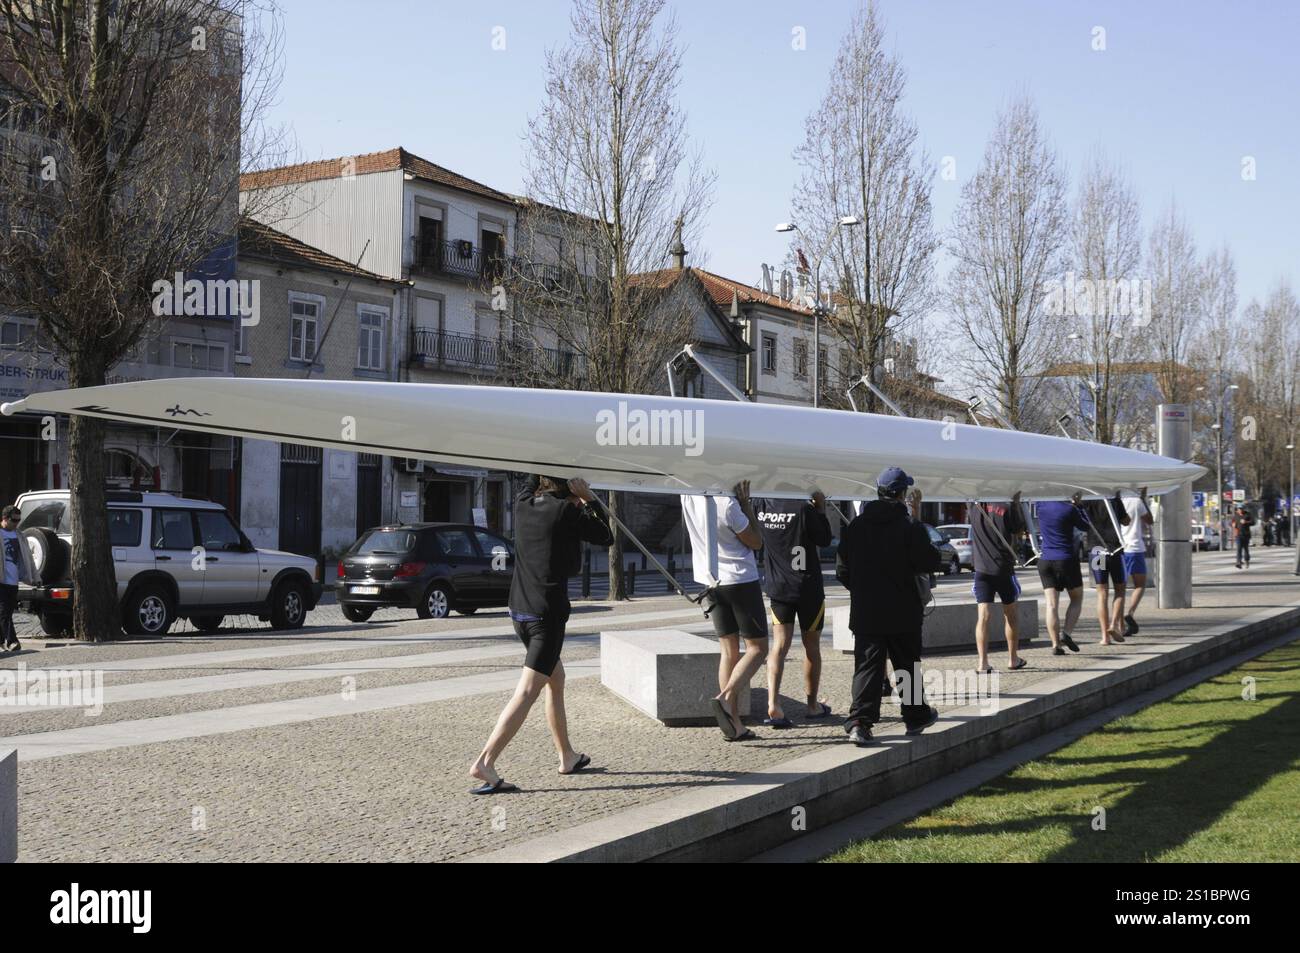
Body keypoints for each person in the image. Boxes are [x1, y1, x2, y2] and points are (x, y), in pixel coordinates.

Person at [469, 475, 613, 794]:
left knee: (556, 679)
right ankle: (485, 762)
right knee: (527, 692)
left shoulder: (522, 504)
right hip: (547, 616)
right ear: (569, 491)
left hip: (519, 610)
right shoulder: (567, 512)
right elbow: (606, 536)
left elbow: (528, 477)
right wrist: (589, 497)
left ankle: (567, 756)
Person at [836, 466, 943, 746]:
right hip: (903, 610)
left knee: (867, 667)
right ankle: (915, 715)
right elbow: (930, 561)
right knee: (906, 665)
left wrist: (863, 591)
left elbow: (842, 570)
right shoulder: (909, 527)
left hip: (866, 610)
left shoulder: (856, 526)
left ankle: (860, 722)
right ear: (903, 494)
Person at [681, 481, 768, 741]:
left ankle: (735, 724)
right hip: (740, 580)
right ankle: (726, 696)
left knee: (728, 649)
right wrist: (746, 505)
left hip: (710, 580)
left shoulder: (688, 494)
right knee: (758, 648)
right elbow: (756, 541)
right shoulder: (728, 504)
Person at [754, 490, 833, 726]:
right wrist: (820, 508)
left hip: (778, 587)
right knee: (812, 647)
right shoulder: (803, 508)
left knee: (778, 647)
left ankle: (773, 705)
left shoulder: (761, 504)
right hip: (808, 588)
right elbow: (825, 539)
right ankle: (812, 705)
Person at [970, 492, 1026, 671]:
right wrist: (1017, 505)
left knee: (983, 617)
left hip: (980, 568)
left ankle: (982, 663)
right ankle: (1013, 659)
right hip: (1003, 567)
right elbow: (1019, 530)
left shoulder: (973, 505)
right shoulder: (1007, 505)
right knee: (1011, 614)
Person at [1034, 493, 1088, 655]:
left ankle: (1055, 644)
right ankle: (1067, 633)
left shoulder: (1040, 506)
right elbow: (1086, 525)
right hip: (1066, 560)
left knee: (1051, 605)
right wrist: (1079, 505)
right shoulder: (1069, 509)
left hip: (1045, 560)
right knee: (1076, 598)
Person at [1081, 494, 1131, 645]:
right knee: (1120, 589)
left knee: (1101, 593)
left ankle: (1104, 637)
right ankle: (1114, 625)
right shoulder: (1113, 498)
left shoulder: (1087, 499)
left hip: (1096, 549)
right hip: (1115, 549)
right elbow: (1126, 521)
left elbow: (1082, 522)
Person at [1119, 488, 1154, 637]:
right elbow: (1150, 520)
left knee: (1115, 589)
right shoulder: (1136, 501)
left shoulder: (1114, 501)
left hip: (1110, 550)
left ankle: (1116, 624)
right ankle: (1129, 612)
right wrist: (1143, 499)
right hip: (1134, 548)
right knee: (1140, 584)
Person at [1, 505, 36, 652]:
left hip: (13, 580)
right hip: (1, 579)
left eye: (18, 520)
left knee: (7, 611)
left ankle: (9, 640)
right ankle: (11, 641)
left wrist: (34, 576)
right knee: (3, 611)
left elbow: (27, 558)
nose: (17, 523)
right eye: (14, 520)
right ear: (4, 518)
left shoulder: (20, 535)